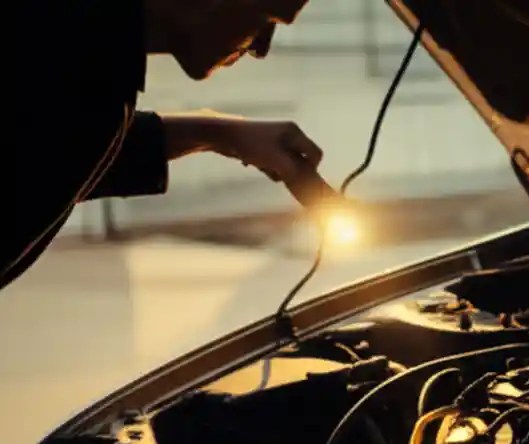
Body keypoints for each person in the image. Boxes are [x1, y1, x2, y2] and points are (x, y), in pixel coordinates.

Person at [8, 0, 326, 290]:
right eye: (265, 19)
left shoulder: (77, 50)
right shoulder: (80, 68)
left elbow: (44, 154)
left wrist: (219, 134)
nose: (261, 48)